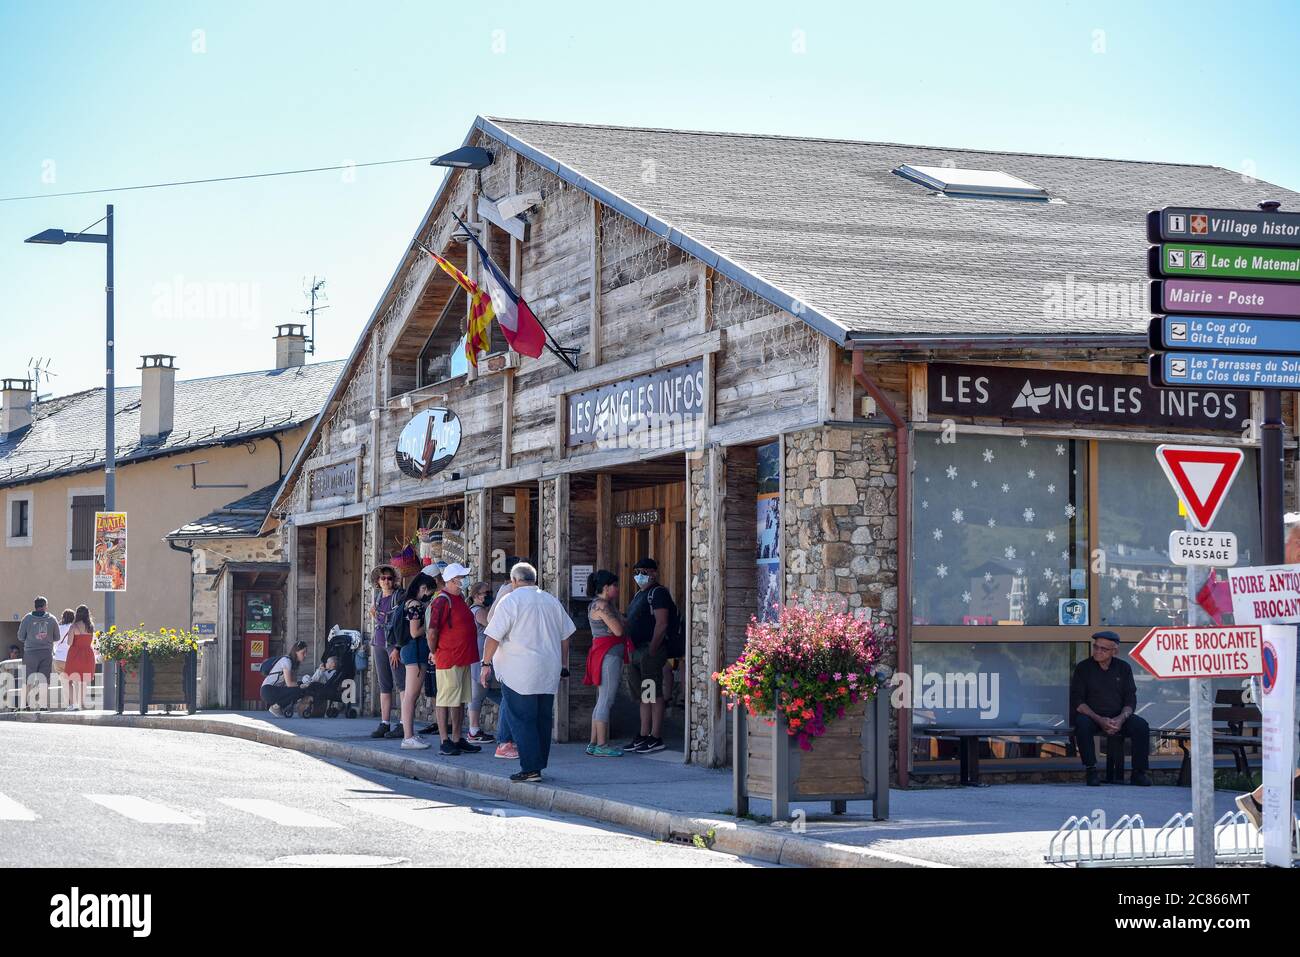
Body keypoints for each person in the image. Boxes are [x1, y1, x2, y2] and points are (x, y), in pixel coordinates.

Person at [481, 562, 575, 783]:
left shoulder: (510, 601)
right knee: (542, 719)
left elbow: (493, 636)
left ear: (514, 581)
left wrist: (485, 664)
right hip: (548, 669)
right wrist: (563, 665)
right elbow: (566, 636)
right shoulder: (551, 600)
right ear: (534, 579)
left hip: (518, 671)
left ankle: (531, 768)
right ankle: (538, 764)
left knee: (523, 719)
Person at [1070, 630, 1151, 786]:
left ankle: (1139, 773)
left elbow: (1130, 699)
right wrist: (1100, 720)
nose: (1098, 651)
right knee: (1082, 724)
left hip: (1117, 717)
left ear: (1115, 651)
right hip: (1092, 716)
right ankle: (1091, 770)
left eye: (1103, 649)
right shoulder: (1083, 668)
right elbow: (1078, 702)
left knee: (1141, 725)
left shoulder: (1123, 668)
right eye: (1096, 647)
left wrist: (1120, 719)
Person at [426, 563, 482, 756]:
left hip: (462, 658)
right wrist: (433, 652)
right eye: (460, 578)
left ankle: (457, 739)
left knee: (459, 701)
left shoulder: (458, 599)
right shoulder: (442, 600)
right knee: (445, 699)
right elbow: (432, 631)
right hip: (448, 657)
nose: (463, 581)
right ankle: (444, 740)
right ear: (451, 580)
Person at [623, 558, 676, 754]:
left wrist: (653, 649)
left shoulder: (658, 593)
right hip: (636, 651)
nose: (639, 575)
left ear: (654, 572)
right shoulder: (640, 593)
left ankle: (655, 736)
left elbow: (661, 623)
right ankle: (643, 734)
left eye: (644, 571)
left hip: (649, 651)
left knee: (653, 694)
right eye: (637, 571)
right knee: (643, 695)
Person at [584, 570, 630, 757]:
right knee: (606, 700)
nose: (617, 589)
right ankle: (602, 745)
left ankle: (594, 743)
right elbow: (619, 630)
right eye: (615, 585)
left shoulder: (598, 605)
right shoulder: (603, 606)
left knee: (601, 700)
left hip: (603, 653)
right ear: (605, 587)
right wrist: (622, 620)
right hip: (609, 654)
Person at [398, 571, 440, 749]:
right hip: (414, 651)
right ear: (423, 588)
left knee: (410, 695)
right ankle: (408, 736)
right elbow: (415, 631)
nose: (428, 595)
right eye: (429, 591)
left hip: (411, 651)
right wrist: (430, 625)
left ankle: (410, 735)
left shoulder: (406, 602)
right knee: (411, 695)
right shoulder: (415, 604)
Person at [368, 565, 405, 739]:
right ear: (378, 581)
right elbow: (380, 620)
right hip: (379, 643)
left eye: (389, 578)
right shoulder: (377, 597)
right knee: (384, 685)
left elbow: (402, 624)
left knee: (401, 684)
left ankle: (404, 723)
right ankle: (385, 723)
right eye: (383, 578)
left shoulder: (399, 597)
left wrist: (397, 647)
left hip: (392, 644)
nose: (386, 581)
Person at [466, 581, 497, 745]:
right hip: (479, 655)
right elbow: (494, 626)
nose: (489, 595)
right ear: (477, 596)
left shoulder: (475, 610)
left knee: (482, 691)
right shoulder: (479, 612)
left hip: (478, 654)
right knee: (477, 693)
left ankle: (474, 729)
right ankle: (473, 729)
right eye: (486, 592)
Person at [17, 596, 57, 709]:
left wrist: (31, 640)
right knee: (44, 679)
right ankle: (43, 705)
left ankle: (24, 705)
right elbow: (57, 637)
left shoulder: (27, 618)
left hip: (30, 653)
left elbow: (20, 636)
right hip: (46, 653)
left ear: (35, 606)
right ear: (45, 606)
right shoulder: (52, 619)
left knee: (27, 679)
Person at [262, 641, 309, 717]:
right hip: (268, 690)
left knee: (299, 690)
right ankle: (276, 707)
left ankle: (280, 706)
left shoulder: (293, 663)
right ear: (296, 652)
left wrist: (301, 684)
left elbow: (292, 684)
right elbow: (289, 684)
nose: (305, 655)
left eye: (306, 653)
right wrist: (302, 684)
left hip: (272, 690)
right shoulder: (286, 661)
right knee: (299, 690)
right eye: (303, 652)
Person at [63, 605, 97, 711]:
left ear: (77, 614)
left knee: (69, 680)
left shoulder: (73, 627)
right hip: (88, 654)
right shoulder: (91, 626)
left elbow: (69, 643)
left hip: (75, 654)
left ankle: (73, 704)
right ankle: (82, 704)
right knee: (84, 680)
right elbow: (91, 641)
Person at [53, 609, 75, 681]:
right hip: (69, 659)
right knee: (71, 683)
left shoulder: (58, 628)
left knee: (65, 683)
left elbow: (54, 642)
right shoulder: (73, 628)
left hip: (58, 659)